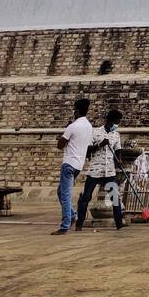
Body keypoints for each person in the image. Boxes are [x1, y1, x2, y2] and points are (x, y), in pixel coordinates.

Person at [75, 109, 125, 231]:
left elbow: (118, 150)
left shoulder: (116, 134)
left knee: (115, 198)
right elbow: (87, 150)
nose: (117, 124)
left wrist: (119, 159)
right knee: (86, 197)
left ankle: (119, 225)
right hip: (95, 171)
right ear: (110, 120)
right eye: (117, 122)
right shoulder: (95, 132)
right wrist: (99, 145)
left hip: (110, 171)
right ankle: (79, 224)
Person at [52, 98, 93, 235]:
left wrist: (65, 130)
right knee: (61, 191)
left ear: (77, 110)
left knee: (65, 195)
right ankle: (72, 215)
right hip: (78, 165)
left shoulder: (72, 126)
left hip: (69, 163)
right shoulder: (88, 126)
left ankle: (65, 225)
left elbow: (60, 145)